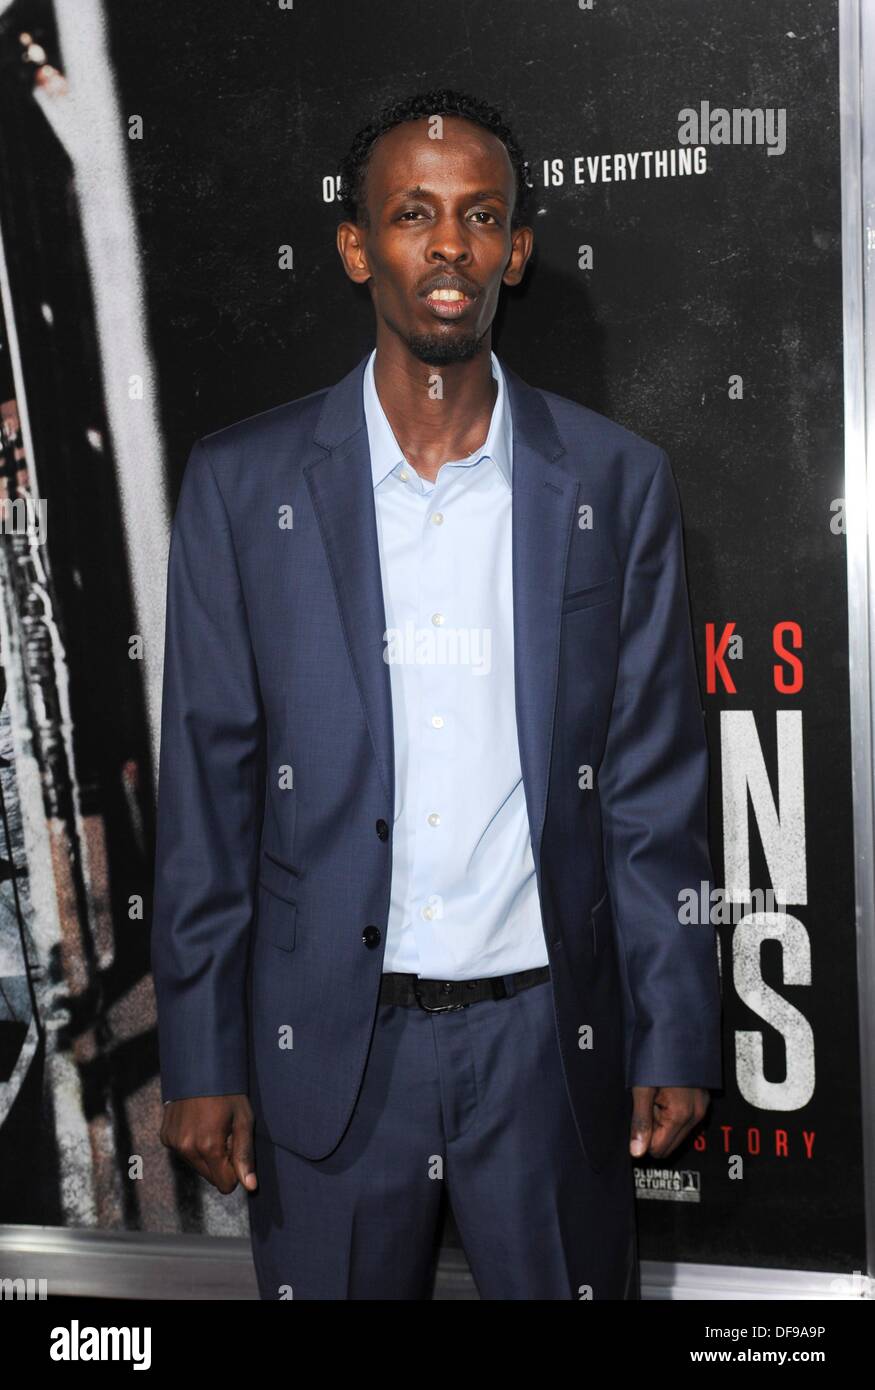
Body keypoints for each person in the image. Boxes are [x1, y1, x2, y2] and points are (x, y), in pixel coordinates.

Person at [152, 89, 722, 1301]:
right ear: (358, 244)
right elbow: (208, 788)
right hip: (331, 1056)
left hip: (540, 1047)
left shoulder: (613, 484)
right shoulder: (241, 487)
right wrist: (198, 1050)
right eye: (413, 214)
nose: (448, 246)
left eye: (479, 216)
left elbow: (651, 785)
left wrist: (671, 1024)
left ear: (515, 250)